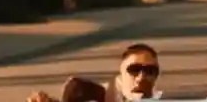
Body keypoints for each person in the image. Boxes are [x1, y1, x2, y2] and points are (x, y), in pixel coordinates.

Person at [25, 43, 162, 102]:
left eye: (150, 71)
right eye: (134, 70)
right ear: (121, 73)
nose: (141, 77)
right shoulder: (91, 93)